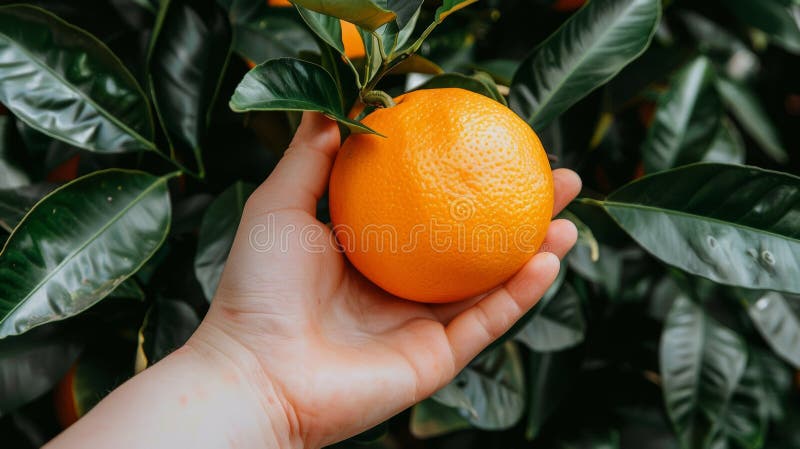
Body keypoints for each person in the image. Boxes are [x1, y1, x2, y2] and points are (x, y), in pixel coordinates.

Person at [45, 112, 581, 449]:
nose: (465, 187)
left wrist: (250, 386)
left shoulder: (438, 140)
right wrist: (256, 383)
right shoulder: (389, 146)